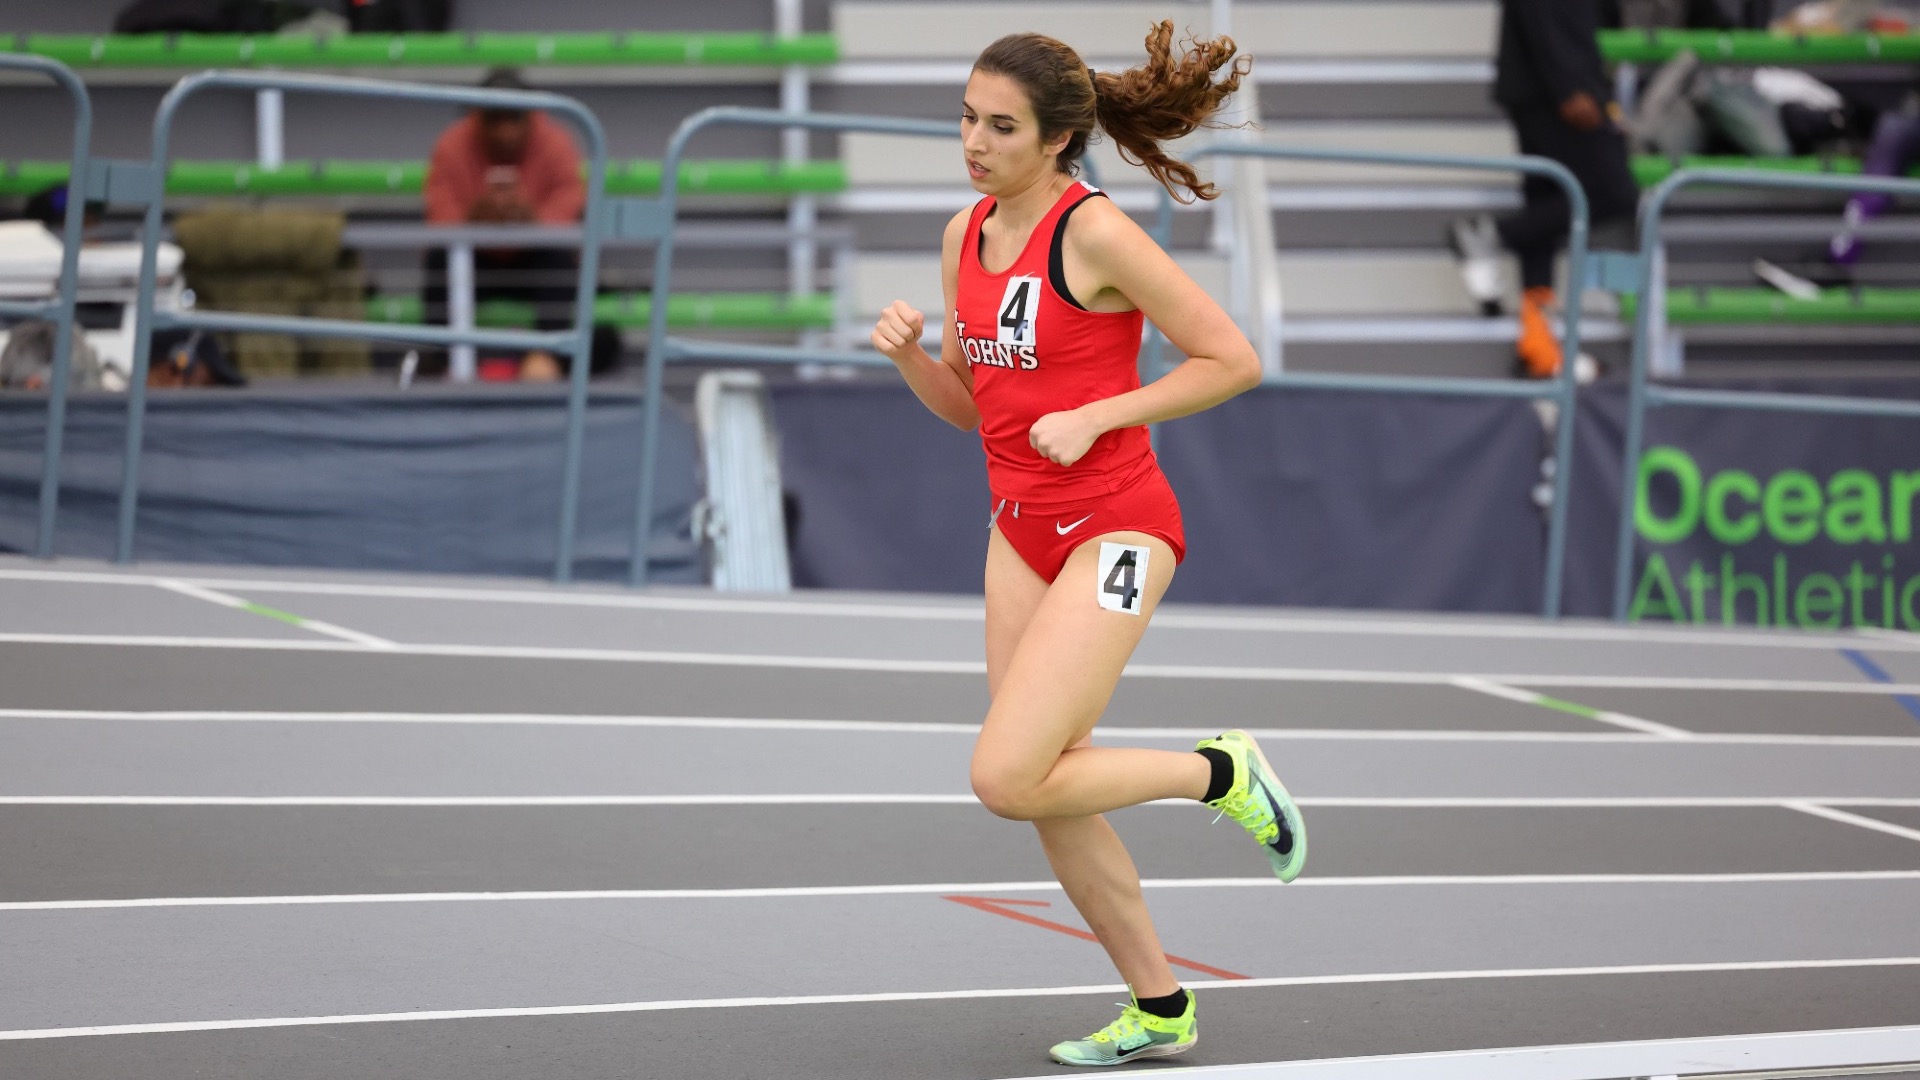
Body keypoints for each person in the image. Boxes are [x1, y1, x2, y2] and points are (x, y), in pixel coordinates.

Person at [869, 23, 1306, 1068]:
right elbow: (976, 409)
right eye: (966, 119)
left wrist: (1104, 414)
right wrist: (913, 362)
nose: (974, 142)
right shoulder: (963, 236)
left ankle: (1217, 772)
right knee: (1046, 788)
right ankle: (1160, 1006)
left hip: (1116, 527)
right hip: (1019, 528)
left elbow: (1231, 359)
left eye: (1000, 127)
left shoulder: (1095, 232)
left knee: (1006, 775)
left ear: (1058, 138)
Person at [1451, 0, 1640, 379]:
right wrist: (1571, 85)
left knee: (1546, 205)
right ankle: (1489, 234)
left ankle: (1539, 348)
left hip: (1541, 81)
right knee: (1614, 191)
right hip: (1558, 86)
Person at [423, 68, 584, 381]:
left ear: (531, 116)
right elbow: (439, 216)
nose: (504, 132)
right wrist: (473, 220)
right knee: (439, 259)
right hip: (474, 260)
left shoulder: (556, 143)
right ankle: (440, 357)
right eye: (494, 119)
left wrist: (532, 221)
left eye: (514, 119)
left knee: (560, 260)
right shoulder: (452, 146)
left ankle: (547, 356)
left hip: (533, 260)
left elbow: (569, 206)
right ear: (477, 116)